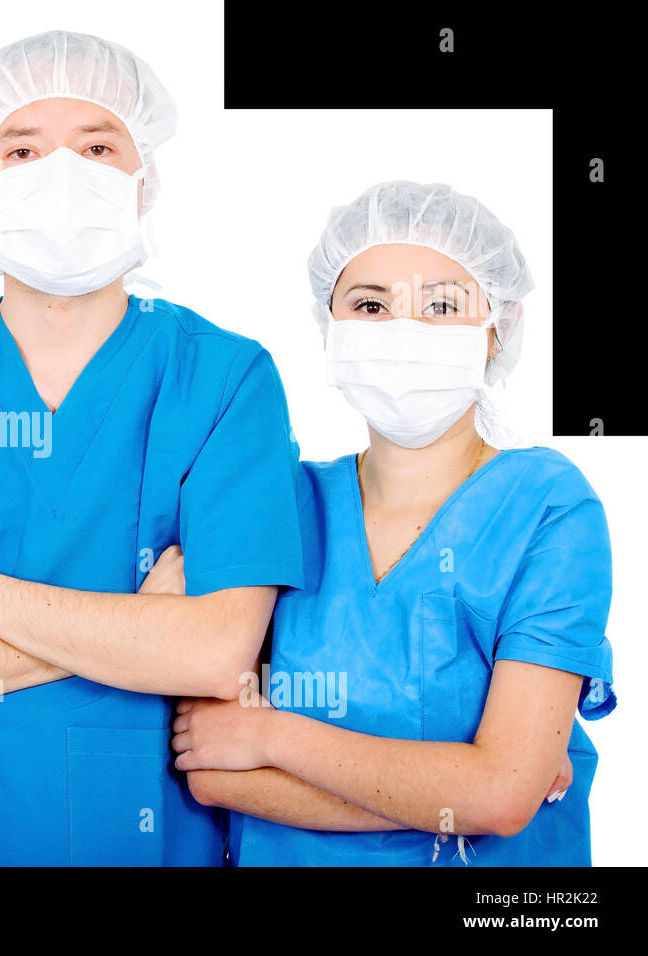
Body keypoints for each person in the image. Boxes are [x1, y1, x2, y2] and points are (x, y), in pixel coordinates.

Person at [0, 30, 303, 865]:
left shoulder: (224, 379)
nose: (62, 175)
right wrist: (142, 629)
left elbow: (216, 653)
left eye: (99, 146)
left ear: (144, 182)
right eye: (24, 148)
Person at [172, 181, 617, 865]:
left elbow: (498, 797)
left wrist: (270, 740)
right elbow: (206, 767)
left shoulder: (546, 508)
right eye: (370, 305)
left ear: (497, 326)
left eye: (442, 304)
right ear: (331, 325)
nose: (402, 329)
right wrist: (460, 783)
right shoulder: (281, 501)